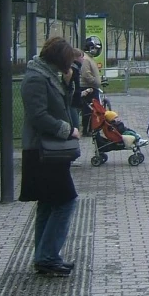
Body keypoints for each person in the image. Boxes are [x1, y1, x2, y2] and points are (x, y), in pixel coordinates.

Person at [19, 36, 82, 277]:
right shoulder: (36, 78)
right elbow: (39, 116)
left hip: (48, 151)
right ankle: (47, 256)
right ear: (58, 59)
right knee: (65, 201)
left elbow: (62, 106)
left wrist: (68, 85)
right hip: (41, 151)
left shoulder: (46, 76)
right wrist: (67, 130)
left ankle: (44, 257)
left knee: (48, 203)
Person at [80, 36, 104, 135]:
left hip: (92, 87)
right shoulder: (86, 59)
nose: (95, 50)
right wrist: (95, 81)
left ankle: (92, 128)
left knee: (94, 109)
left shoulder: (90, 58)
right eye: (94, 48)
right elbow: (86, 74)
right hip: (88, 87)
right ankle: (87, 129)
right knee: (89, 110)